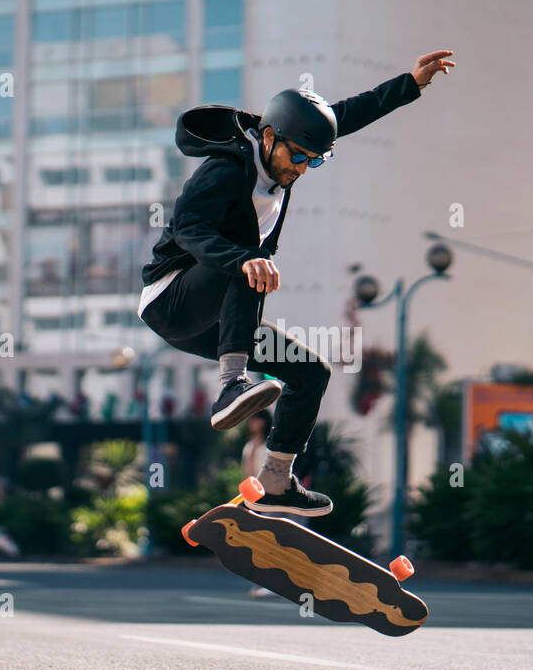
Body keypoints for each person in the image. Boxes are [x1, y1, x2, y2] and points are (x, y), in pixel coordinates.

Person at [138, 50, 455, 516]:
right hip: (172, 299)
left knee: (310, 373)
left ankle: (276, 479)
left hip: (219, 322)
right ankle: (231, 385)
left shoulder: (287, 151)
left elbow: (344, 116)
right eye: (297, 156)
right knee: (252, 258)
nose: (301, 169)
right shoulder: (227, 168)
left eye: (314, 161)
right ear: (268, 137)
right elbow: (189, 229)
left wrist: (410, 83)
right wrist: (243, 258)